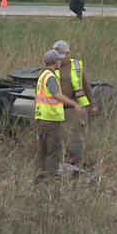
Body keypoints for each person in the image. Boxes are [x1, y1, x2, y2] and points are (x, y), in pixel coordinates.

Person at [36, 49, 84, 181]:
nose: (60, 62)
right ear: (54, 62)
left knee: (42, 151)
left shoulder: (42, 76)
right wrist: (74, 104)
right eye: (58, 60)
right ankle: (50, 180)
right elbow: (57, 95)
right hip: (51, 120)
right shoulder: (51, 77)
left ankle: (39, 178)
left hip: (41, 119)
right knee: (53, 151)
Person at [52, 40, 99, 167]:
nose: (59, 59)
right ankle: (62, 162)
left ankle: (75, 162)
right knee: (59, 137)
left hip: (74, 109)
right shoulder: (52, 66)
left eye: (61, 55)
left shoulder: (76, 66)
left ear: (68, 53)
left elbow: (86, 86)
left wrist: (93, 104)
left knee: (75, 137)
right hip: (56, 108)